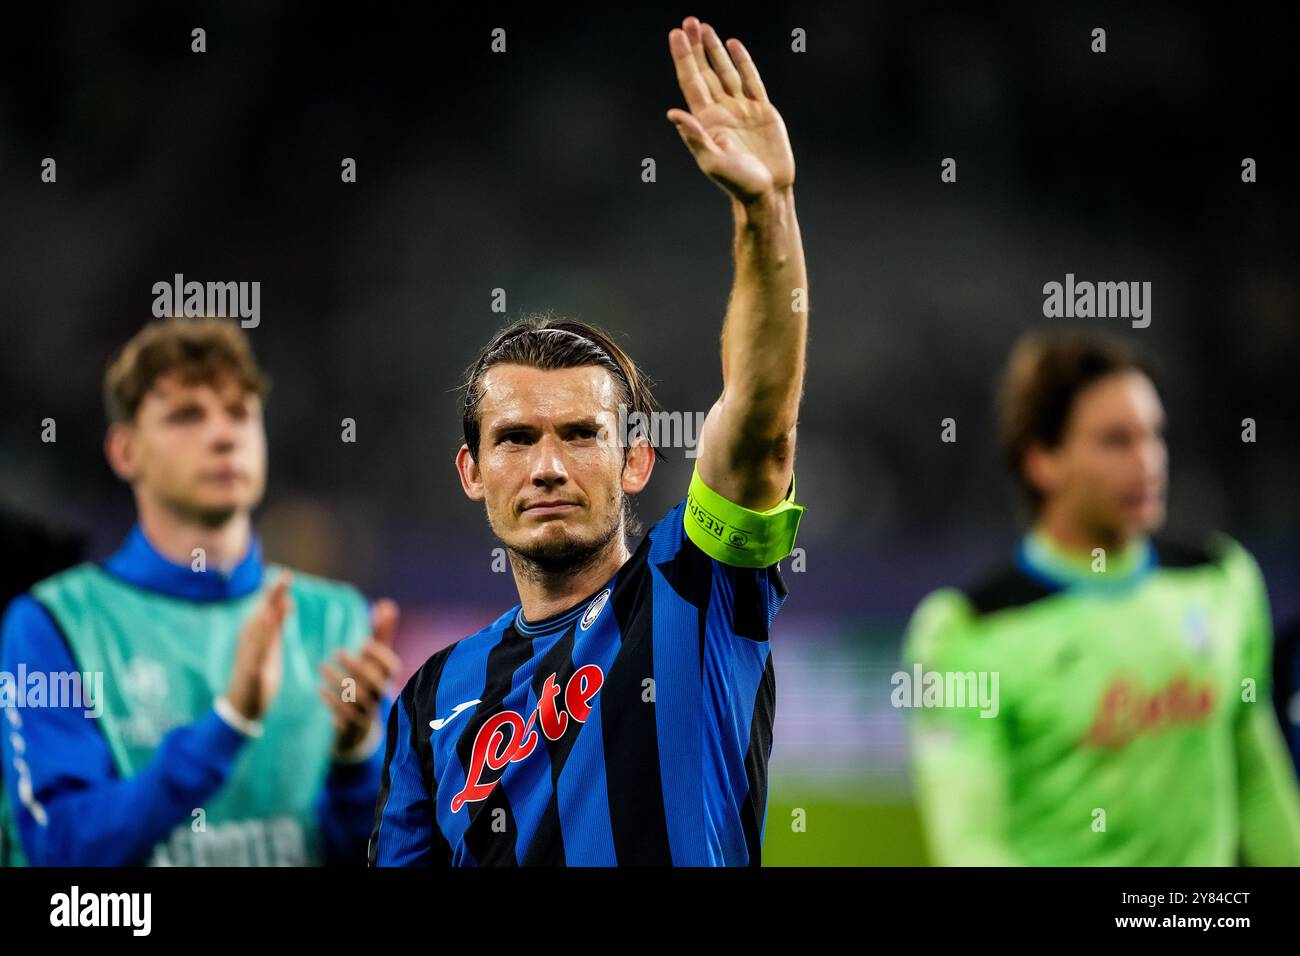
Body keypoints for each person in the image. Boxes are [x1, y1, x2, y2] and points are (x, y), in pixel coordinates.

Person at [369, 15, 808, 866]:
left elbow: (759, 423)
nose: (546, 465)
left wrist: (768, 211)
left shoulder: (692, 591)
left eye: (580, 433)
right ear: (472, 470)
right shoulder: (430, 700)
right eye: (515, 439)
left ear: (636, 460)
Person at [0, 317, 400, 865]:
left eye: (239, 413)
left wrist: (357, 758)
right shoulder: (52, 625)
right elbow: (58, 849)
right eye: (186, 415)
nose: (222, 434)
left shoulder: (337, 621)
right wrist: (228, 724)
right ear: (124, 452)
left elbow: (380, 851)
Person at [903, 332, 1300, 864]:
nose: (1149, 461)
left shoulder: (1222, 581)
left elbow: (1257, 781)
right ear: (1042, 459)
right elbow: (972, 844)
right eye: (1117, 441)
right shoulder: (967, 631)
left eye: (1154, 435)